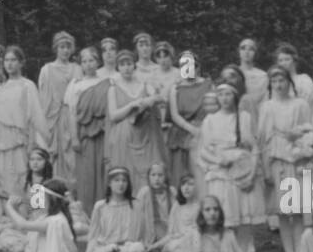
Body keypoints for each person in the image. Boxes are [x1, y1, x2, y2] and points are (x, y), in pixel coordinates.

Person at [256, 65, 313, 252]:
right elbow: (263, 139)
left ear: (289, 83)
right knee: (282, 212)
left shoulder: (300, 105)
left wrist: (302, 152)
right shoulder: (267, 107)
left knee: (296, 210)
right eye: (274, 82)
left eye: (282, 81)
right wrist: (265, 166)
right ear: (270, 85)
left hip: (296, 159)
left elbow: (309, 133)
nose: (279, 85)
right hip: (276, 160)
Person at [197, 80, 261, 252]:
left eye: (228, 94)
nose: (224, 98)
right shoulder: (210, 120)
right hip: (221, 171)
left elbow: (254, 147)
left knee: (244, 215)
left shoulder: (245, 118)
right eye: (221, 94)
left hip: (241, 170)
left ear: (235, 96)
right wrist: (218, 161)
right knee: (224, 214)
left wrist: (252, 173)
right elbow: (203, 150)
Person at [81, 166, 164, 252]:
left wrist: (129, 251)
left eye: (124, 180)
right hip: (107, 250)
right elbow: (93, 238)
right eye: (117, 180)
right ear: (109, 183)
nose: (121, 184)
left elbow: (141, 237)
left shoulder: (135, 205)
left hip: (128, 250)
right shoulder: (100, 207)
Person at [0, 45, 48, 201]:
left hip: (22, 139)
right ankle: (12, 214)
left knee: (30, 174)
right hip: (3, 141)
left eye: (13, 60)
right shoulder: (0, 89)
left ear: (21, 63)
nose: (9, 64)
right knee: (5, 175)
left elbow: (36, 114)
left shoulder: (27, 85)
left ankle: (37, 211)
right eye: (7, 60)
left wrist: (39, 139)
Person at [106, 51, 166, 194]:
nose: (126, 68)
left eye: (129, 64)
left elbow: (159, 99)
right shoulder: (113, 88)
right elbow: (113, 116)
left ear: (134, 65)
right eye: (122, 65)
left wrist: (151, 100)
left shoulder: (144, 85)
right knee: (126, 175)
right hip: (124, 138)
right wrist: (131, 106)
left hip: (146, 136)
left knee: (149, 173)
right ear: (118, 68)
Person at [65, 46, 110, 216]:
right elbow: (71, 113)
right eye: (84, 61)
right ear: (80, 64)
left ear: (97, 62)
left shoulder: (106, 82)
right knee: (86, 173)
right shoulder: (76, 85)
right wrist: (74, 138)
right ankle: (86, 212)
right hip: (84, 134)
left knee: (103, 170)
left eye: (91, 60)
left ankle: (104, 211)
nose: (88, 64)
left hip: (103, 132)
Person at [37, 32, 80, 180]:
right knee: (48, 162)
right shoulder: (47, 70)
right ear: (56, 48)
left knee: (73, 162)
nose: (65, 50)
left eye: (68, 47)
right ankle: (44, 200)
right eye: (62, 47)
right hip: (53, 120)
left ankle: (73, 198)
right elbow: (43, 101)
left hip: (73, 120)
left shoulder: (77, 69)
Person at [167, 51, 213, 186]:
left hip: (205, 131)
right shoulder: (176, 88)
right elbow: (174, 115)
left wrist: (202, 129)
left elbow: (213, 108)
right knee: (184, 176)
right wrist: (192, 129)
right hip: (182, 133)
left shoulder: (208, 85)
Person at [134, 161, 176, 250]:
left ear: (165, 177)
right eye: (153, 175)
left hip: (168, 232)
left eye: (160, 175)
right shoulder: (144, 192)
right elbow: (137, 218)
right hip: (150, 232)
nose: (156, 179)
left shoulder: (172, 192)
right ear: (148, 177)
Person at [159, 173, 200, 252]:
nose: (186, 188)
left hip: (193, 240)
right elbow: (170, 234)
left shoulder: (198, 207)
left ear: (196, 188)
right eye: (183, 184)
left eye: (190, 184)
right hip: (179, 240)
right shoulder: (177, 206)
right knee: (173, 246)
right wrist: (152, 246)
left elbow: (198, 231)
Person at [273, 44, 313, 114]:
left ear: (294, 61)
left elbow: (308, 105)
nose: (283, 63)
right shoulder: (275, 82)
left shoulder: (304, 81)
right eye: (280, 60)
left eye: (287, 59)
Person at [236, 38, 269, 124]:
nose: (247, 52)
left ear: (255, 53)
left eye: (251, 49)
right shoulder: (233, 73)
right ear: (239, 52)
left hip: (258, 118)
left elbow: (265, 101)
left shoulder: (263, 76)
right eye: (243, 48)